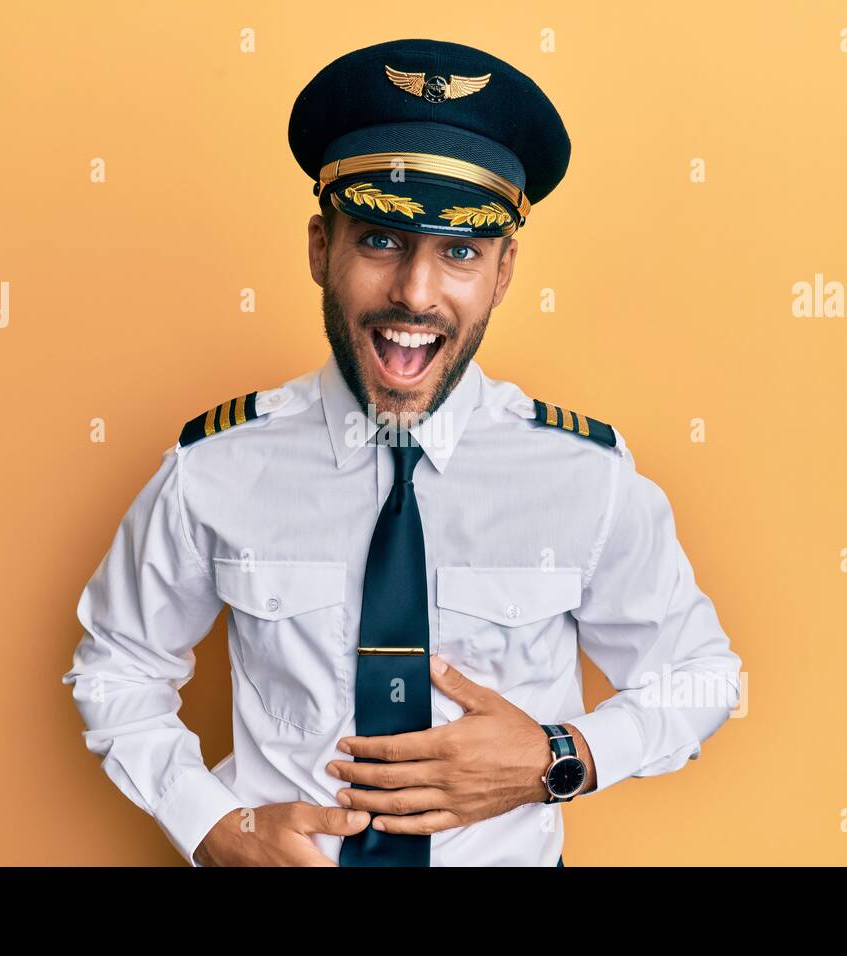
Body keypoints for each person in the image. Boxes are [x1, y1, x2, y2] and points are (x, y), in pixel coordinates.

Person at [62, 37, 742, 867]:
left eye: (460, 250)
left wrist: (562, 757)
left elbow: (704, 676)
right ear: (322, 248)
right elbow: (115, 667)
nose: (416, 294)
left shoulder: (584, 479)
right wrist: (213, 826)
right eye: (381, 240)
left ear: (502, 273)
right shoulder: (217, 466)